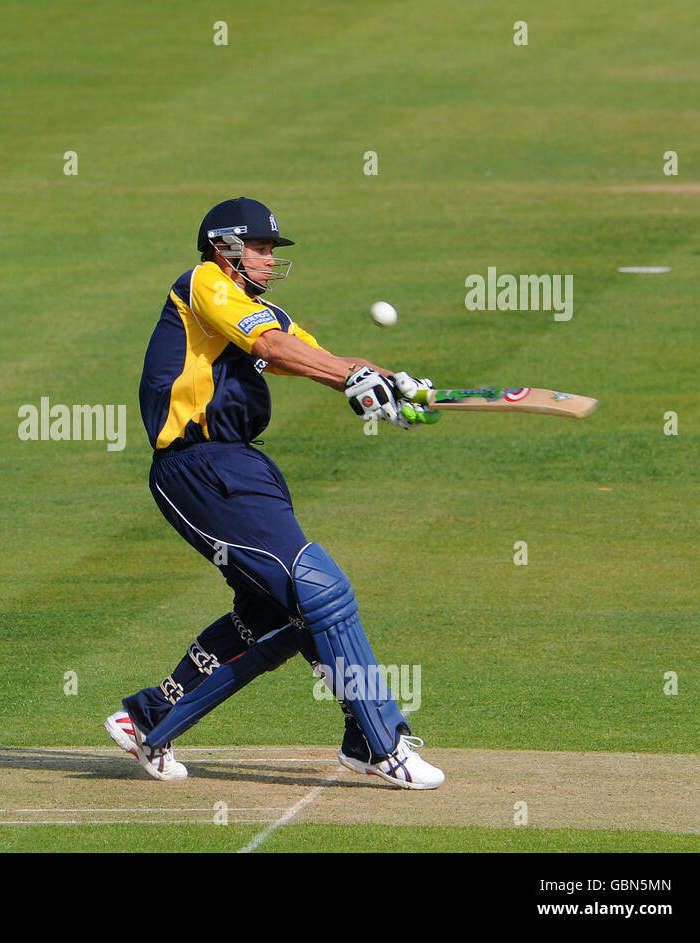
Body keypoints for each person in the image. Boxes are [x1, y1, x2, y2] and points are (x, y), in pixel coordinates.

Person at [104, 197, 446, 789]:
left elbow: (317, 356)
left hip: (239, 463)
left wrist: (390, 381)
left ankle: (149, 719)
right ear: (226, 246)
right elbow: (270, 349)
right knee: (319, 588)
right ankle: (382, 742)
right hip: (200, 466)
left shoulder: (258, 309)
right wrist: (351, 379)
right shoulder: (205, 284)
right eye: (260, 248)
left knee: (276, 615)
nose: (268, 259)